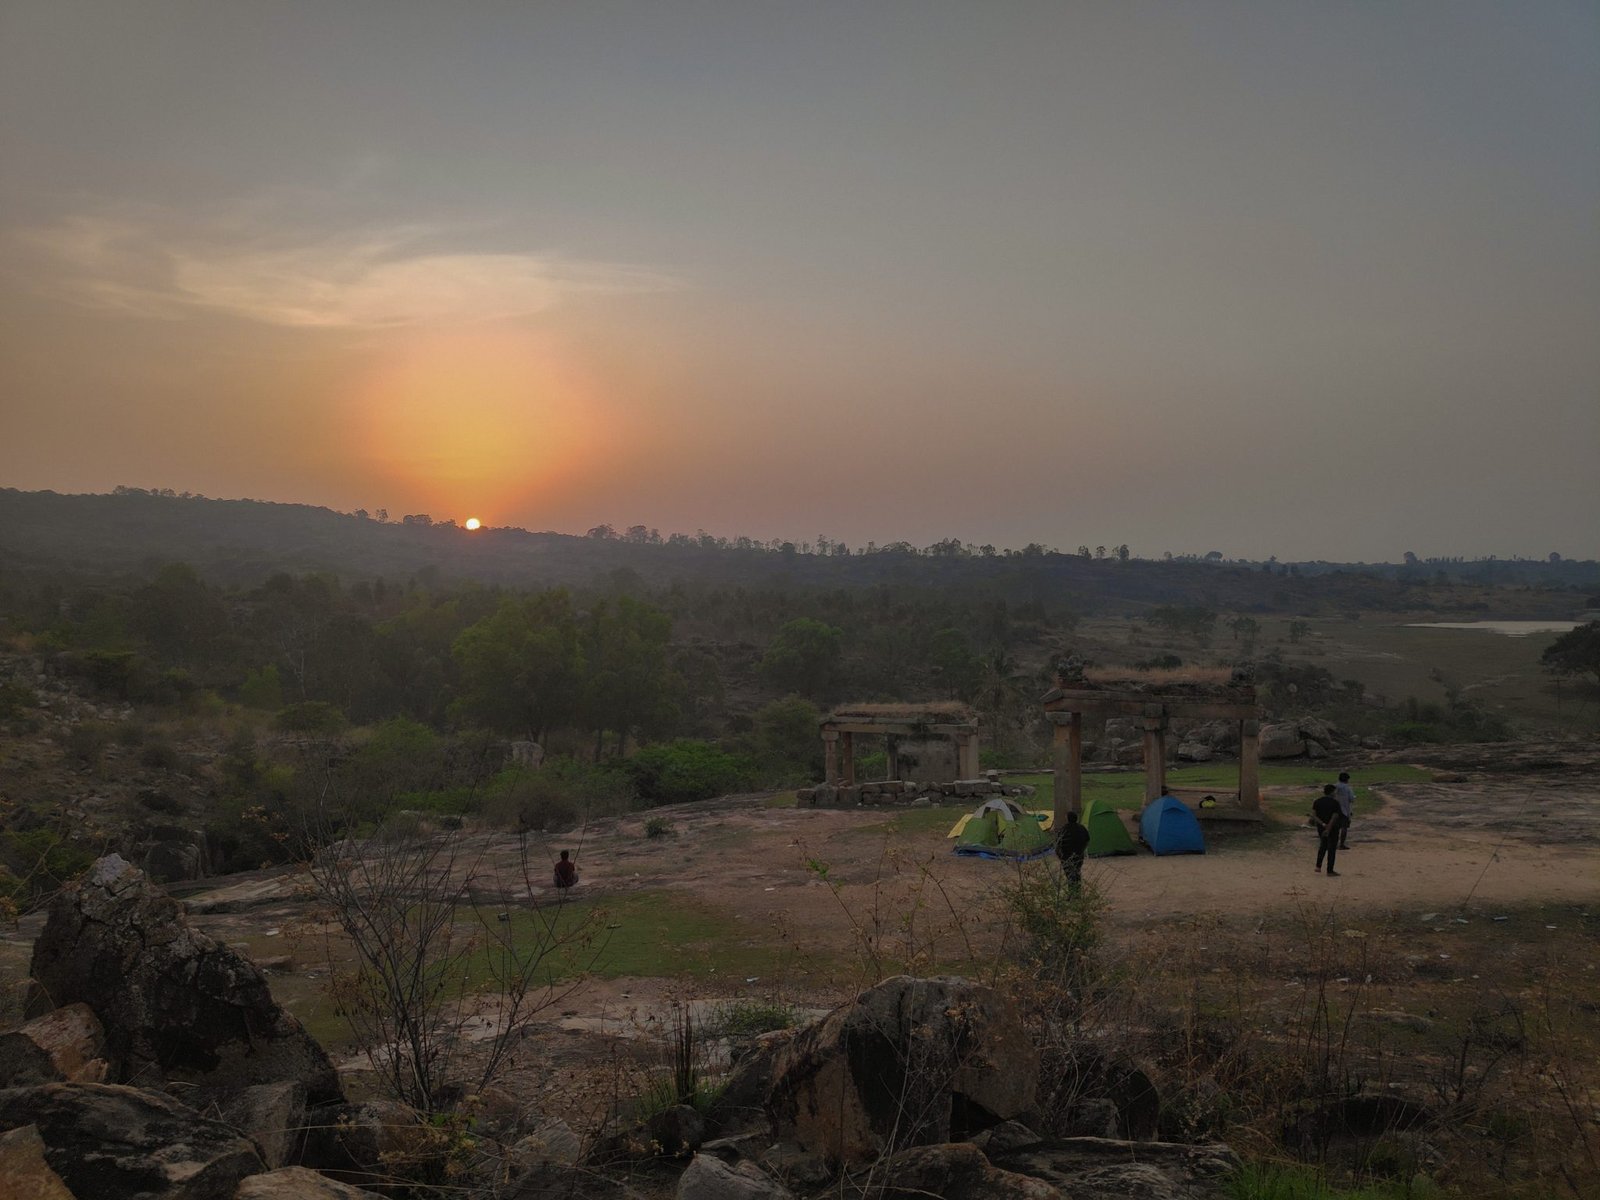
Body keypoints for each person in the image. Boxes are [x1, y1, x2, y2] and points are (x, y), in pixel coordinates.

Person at [1055, 810, 1091, 896]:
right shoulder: (1082, 828)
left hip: (1066, 856)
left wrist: (1060, 856)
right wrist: (1082, 850)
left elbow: (1058, 843)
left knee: (1069, 875)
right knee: (1077, 874)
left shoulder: (1064, 829)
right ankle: (1077, 894)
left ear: (1067, 819)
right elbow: (1087, 840)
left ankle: (1071, 894)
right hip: (1078, 855)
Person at [1311, 784, 1345, 876]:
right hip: (1333, 828)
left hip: (1321, 827)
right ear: (1332, 792)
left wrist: (1322, 824)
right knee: (1332, 848)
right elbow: (1334, 817)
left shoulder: (1317, 801)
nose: (1336, 793)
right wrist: (1328, 828)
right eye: (1335, 791)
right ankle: (1330, 870)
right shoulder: (1335, 803)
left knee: (1323, 845)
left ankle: (1318, 866)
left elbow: (1314, 815)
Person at [1333, 772, 1355, 849]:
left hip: (1334, 810)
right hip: (1344, 810)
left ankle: (1333, 843)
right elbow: (1351, 799)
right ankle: (1341, 844)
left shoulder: (1334, 786)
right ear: (1347, 779)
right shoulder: (1347, 788)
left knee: (1334, 828)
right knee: (1344, 827)